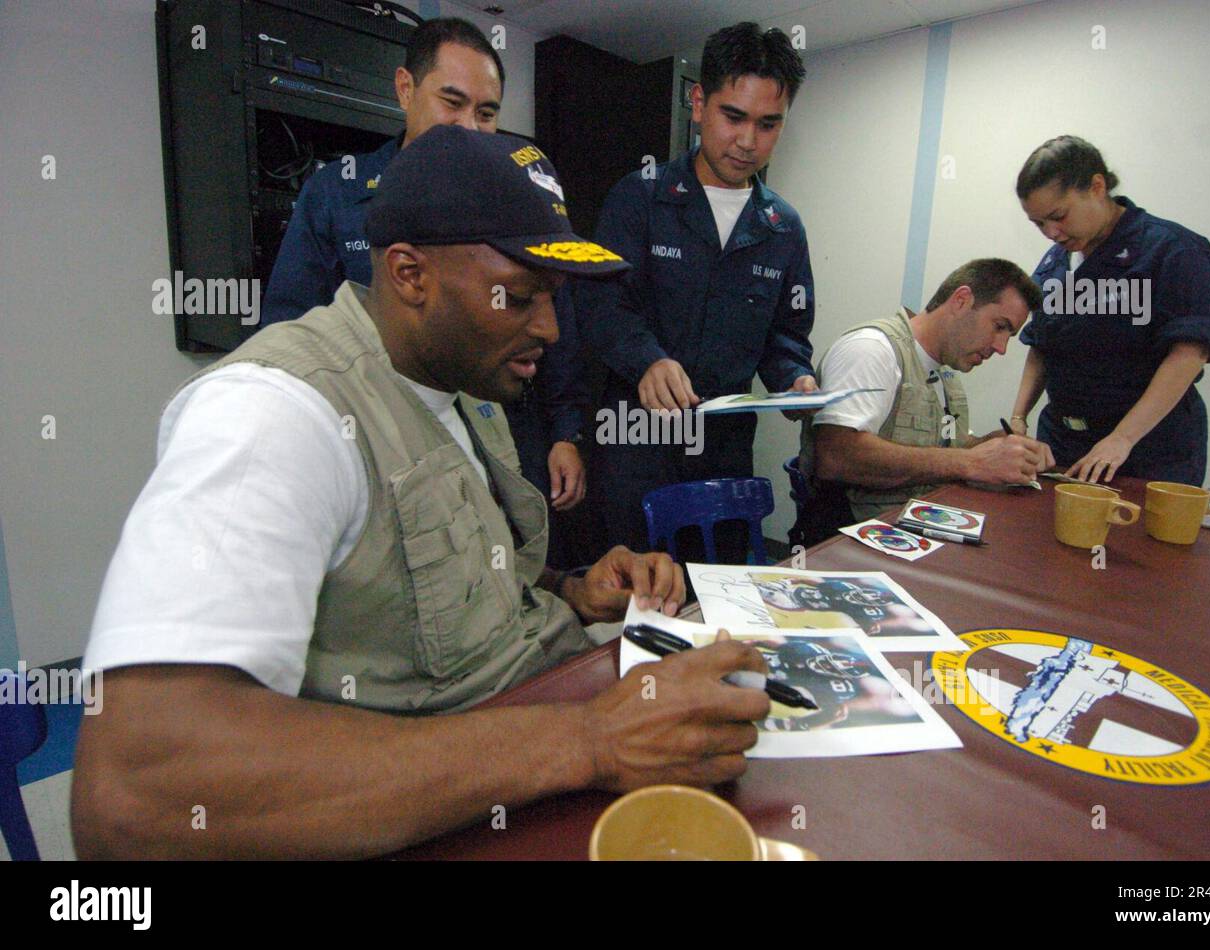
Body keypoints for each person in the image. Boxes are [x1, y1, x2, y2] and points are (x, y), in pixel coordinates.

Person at [71, 127, 771, 860]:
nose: (551, 329)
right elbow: (135, 788)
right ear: (409, 274)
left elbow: (424, 582)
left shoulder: (460, 374)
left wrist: (569, 588)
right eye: (521, 297)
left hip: (543, 704)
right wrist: (590, 740)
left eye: (555, 298)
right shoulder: (274, 414)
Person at [260, 17, 589, 547]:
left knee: (506, 560)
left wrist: (565, 432)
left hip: (498, 425)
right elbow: (289, 328)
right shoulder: (336, 194)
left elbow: (555, 323)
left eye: (486, 113)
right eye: (451, 103)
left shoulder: (518, 190)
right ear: (406, 89)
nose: (469, 128)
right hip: (381, 437)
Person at [576, 22, 816, 562]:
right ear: (699, 102)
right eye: (734, 117)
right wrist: (647, 361)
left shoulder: (783, 226)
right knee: (636, 595)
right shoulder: (640, 197)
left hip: (723, 448)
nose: (748, 141)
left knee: (721, 597)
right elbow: (601, 304)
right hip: (637, 438)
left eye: (768, 124)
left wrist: (796, 380)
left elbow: (785, 334)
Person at [1009, 135, 1210, 484]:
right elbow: (1041, 346)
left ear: (1096, 187)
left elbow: (1189, 353)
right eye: (1039, 224)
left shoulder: (1173, 250)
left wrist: (1122, 438)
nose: (1051, 232)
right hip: (1063, 443)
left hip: (1147, 450)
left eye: (1059, 216)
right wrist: (1018, 420)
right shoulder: (1055, 262)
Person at [792, 260, 1056, 546]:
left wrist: (992, 446)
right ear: (962, 300)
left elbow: (939, 452)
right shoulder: (871, 349)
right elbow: (837, 457)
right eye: (999, 326)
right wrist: (972, 461)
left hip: (916, 531)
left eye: (1010, 335)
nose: (1001, 348)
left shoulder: (944, 371)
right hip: (851, 543)